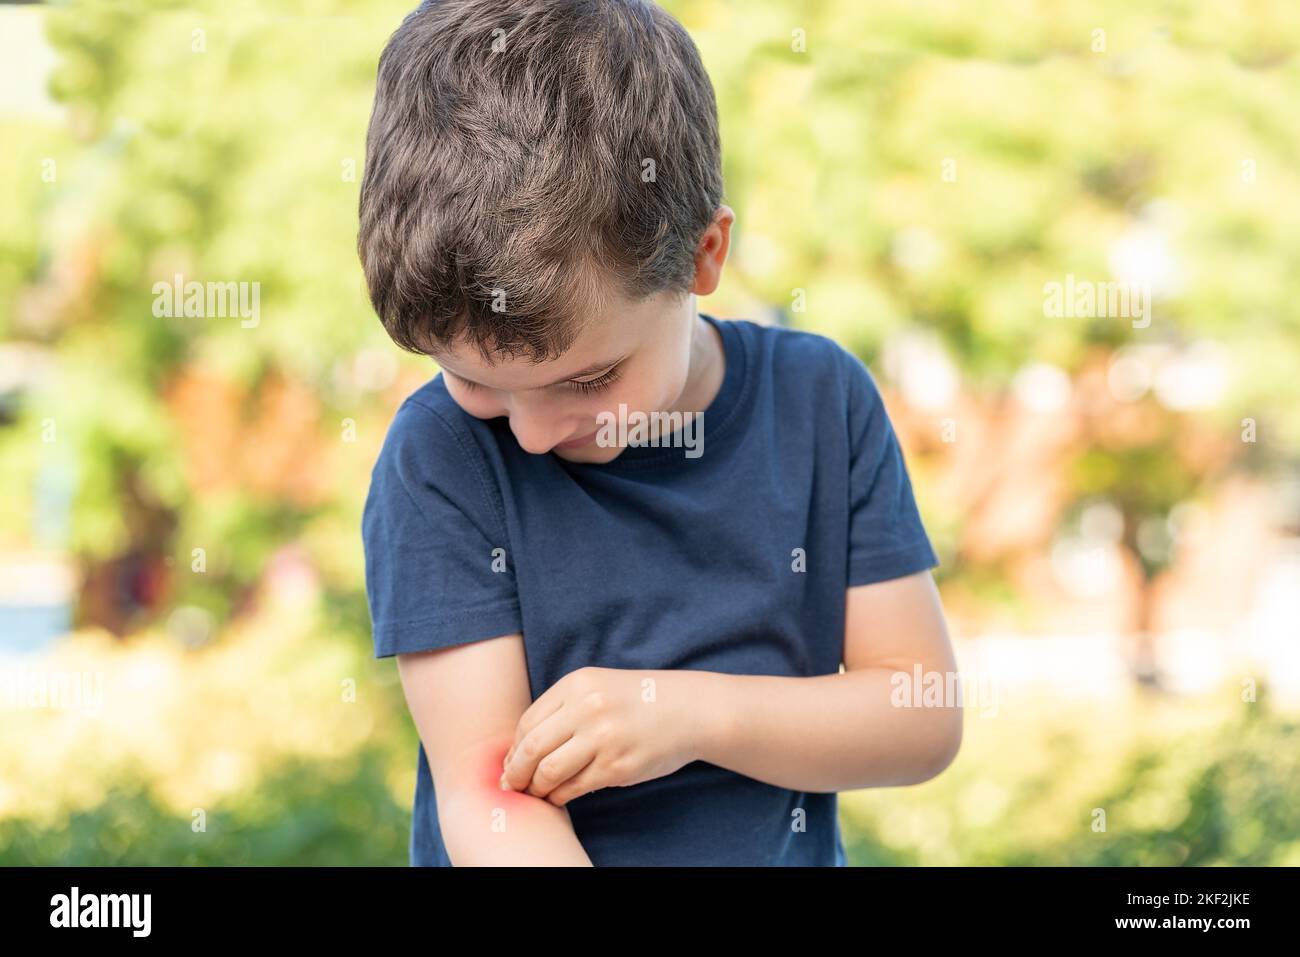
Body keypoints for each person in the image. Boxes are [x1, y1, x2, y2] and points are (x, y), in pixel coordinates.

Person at [357, 0, 961, 866]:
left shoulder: (821, 403)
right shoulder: (440, 459)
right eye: (477, 381)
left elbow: (921, 712)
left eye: (588, 380)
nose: (530, 435)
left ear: (704, 257)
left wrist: (690, 714)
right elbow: (488, 801)